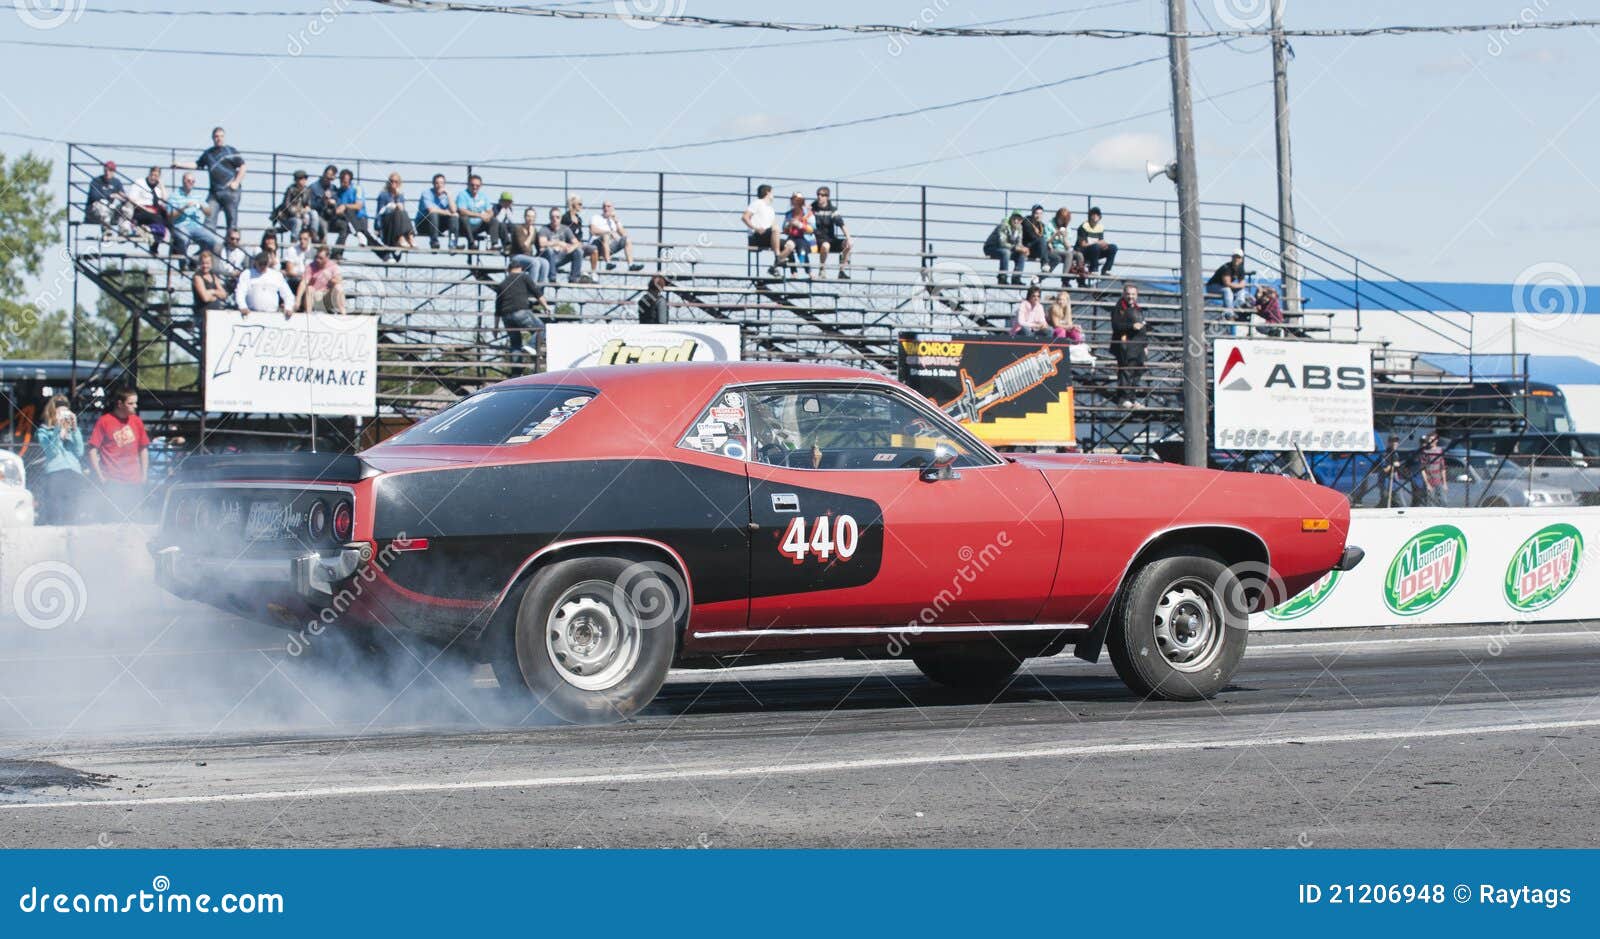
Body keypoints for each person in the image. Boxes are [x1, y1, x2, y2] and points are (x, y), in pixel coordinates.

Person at [86, 388, 150, 520]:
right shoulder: (104, 421)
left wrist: (144, 474)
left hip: (134, 480)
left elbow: (143, 449)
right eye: (131, 403)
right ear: (120, 404)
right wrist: (100, 476)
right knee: (112, 518)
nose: (135, 406)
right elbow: (92, 450)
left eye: (135, 403)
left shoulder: (137, 421)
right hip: (112, 480)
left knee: (135, 519)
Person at [174, 126, 246, 233]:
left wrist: (236, 182)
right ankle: (208, 248)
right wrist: (179, 165)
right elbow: (197, 164)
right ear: (213, 138)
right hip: (214, 193)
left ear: (224, 137)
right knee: (209, 221)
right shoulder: (208, 153)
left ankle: (230, 247)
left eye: (221, 136)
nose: (219, 139)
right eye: (216, 136)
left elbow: (243, 166)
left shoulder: (230, 151)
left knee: (231, 222)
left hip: (230, 191)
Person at [33, 396, 89, 525]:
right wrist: (58, 430)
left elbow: (79, 452)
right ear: (53, 413)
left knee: (72, 514)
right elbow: (52, 452)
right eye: (60, 413)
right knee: (55, 514)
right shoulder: (43, 431)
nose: (64, 416)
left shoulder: (72, 431)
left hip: (74, 473)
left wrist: (74, 429)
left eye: (66, 412)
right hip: (55, 474)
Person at [494, 259, 548, 361]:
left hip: (506, 316)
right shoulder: (524, 277)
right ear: (520, 269)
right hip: (520, 312)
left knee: (515, 344)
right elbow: (537, 293)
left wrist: (496, 328)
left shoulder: (502, 284)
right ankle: (531, 346)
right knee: (543, 329)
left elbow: (497, 309)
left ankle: (516, 373)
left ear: (508, 270)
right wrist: (546, 306)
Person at [168, 172, 222, 262]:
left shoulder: (197, 196)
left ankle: (195, 259)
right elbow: (170, 216)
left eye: (193, 181)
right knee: (184, 239)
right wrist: (184, 207)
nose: (191, 183)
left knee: (213, 241)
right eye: (188, 180)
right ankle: (184, 263)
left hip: (196, 226)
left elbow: (209, 213)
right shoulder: (174, 196)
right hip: (180, 225)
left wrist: (201, 206)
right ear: (183, 181)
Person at [1110, 283, 1147, 408]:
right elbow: (1116, 326)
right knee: (1126, 372)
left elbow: (1143, 329)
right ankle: (1123, 398)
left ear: (1137, 295)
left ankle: (1132, 398)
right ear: (1123, 294)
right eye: (1128, 294)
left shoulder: (1138, 308)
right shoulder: (1118, 308)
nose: (1130, 297)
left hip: (1138, 345)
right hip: (1124, 345)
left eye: (1133, 294)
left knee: (1137, 372)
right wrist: (1131, 326)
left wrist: (1145, 345)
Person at [742, 184, 791, 276]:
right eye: (772, 192)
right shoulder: (757, 203)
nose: (773, 195)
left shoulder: (770, 209)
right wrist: (755, 228)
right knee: (776, 228)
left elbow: (773, 225)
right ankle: (778, 256)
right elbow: (745, 217)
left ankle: (774, 266)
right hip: (757, 236)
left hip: (769, 236)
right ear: (768, 192)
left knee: (790, 244)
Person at [235, 251, 295, 316]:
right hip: (251, 313)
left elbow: (287, 294)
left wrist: (288, 307)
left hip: (272, 314)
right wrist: (242, 306)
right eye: (260, 264)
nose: (263, 266)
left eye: (265, 263)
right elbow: (240, 292)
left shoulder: (276, 275)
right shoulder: (247, 274)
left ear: (268, 263)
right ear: (255, 262)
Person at [330, 168, 374, 257]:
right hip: (346, 220)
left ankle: (386, 255)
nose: (343, 183)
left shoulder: (357, 188)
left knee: (369, 238)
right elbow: (338, 209)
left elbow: (358, 206)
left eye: (345, 181)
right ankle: (337, 254)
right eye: (342, 181)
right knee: (344, 228)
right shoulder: (339, 192)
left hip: (359, 218)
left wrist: (345, 206)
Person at [539, 206, 589, 284]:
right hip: (549, 257)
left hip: (561, 255)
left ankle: (574, 278)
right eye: (552, 217)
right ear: (549, 218)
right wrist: (558, 243)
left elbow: (577, 243)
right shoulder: (544, 229)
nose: (555, 219)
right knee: (549, 250)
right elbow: (542, 243)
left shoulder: (565, 228)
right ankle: (552, 278)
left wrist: (571, 248)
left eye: (557, 217)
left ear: (561, 218)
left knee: (578, 251)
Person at [589, 200, 642, 272]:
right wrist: (609, 232)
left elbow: (624, 235)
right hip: (597, 245)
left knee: (627, 239)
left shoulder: (613, 221)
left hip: (610, 246)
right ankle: (608, 263)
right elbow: (593, 230)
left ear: (612, 208)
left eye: (608, 206)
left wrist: (616, 222)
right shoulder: (596, 217)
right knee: (606, 236)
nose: (606, 208)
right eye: (604, 206)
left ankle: (631, 265)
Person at [811, 186, 852, 279]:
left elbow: (841, 224)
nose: (819, 197)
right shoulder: (812, 208)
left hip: (830, 238)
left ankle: (841, 271)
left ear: (827, 197)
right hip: (817, 239)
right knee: (826, 245)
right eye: (818, 194)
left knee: (848, 244)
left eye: (822, 195)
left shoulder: (832, 209)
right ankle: (822, 269)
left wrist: (848, 238)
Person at [127, 166, 170, 252]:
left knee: (166, 221)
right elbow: (131, 199)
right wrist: (145, 209)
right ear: (149, 174)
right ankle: (147, 231)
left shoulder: (158, 188)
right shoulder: (140, 182)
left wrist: (161, 186)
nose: (154, 177)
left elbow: (165, 200)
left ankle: (149, 233)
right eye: (152, 175)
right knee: (158, 219)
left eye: (156, 176)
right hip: (141, 210)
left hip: (155, 212)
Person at [375, 172, 417, 259]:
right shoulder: (383, 195)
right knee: (397, 212)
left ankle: (410, 237)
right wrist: (377, 228)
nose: (393, 184)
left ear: (399, 183)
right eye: (391, 181)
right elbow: (379, 213)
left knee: (402, 212)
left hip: (397, 225)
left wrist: (397, 197)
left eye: (396, 182)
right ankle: (401, 237)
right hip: (387, 223)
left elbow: (402, 214)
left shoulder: (400, 196)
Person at [85, 161, 131, 238]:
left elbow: (122, 196)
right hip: (95, 211)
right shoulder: (96, 181)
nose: (107, 172)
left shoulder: (116, 182)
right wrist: (111, 195)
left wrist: (124, 198)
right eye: (106, 170)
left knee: (127, 208)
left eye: (110, 170)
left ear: (114, 171)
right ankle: (106, 230)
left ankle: (123, 231)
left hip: (110, 210)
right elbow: (94, 196)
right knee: (102, 206)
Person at [296, 244, 346, 314]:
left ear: (327, 257)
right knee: (309, 288)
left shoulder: (333, 266)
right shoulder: (311, 266)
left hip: (327, 296)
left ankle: (343, 315)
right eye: (317, 257)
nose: (318, 260)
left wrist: (330, 279)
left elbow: (339, 281)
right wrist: (297, 300)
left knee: (338, 287)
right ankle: (308, 316)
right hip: (315, 295)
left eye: (321, 258)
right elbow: (303, 283)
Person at [273, 169, 322, 239]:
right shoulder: (290, 190)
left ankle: (313, 233)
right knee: (298, 222)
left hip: (302, 214)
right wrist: (300, 215)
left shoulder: (307, 190)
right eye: (301, 178)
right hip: (289, 217)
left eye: (305, 178)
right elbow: (287, 206)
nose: (304, 181)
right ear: (296, 180)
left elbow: (308, 205)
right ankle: (294, 240)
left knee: (314, 213)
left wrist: (306, 211)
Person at [508, 208, 552, 284]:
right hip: (517, 256)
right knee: (535, 262)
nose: (530, 219)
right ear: (524, 217)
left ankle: (539, 291)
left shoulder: (534, 230)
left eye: (532, 217)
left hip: (529, 257)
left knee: (545, 263)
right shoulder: (518, 229)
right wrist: (530, 235)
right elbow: (523, 248)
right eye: (528, 216)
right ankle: (531, 289)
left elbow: (538, 247)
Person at [983, 213, 1028, 285]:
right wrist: (1016, 248)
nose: (1016, 221)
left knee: (1021, 253)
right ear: (1011, 218)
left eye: (1019, 219)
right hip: (991, 247)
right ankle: (1002, 277)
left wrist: (1023, 249)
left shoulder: (1020, 228)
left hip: (1007, 249)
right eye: (1014, 218)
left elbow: (1019, 243)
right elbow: (1002, 243)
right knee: (1006, 252)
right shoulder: (1003, 225)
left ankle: (1016, 278)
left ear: (1021, 221)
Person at [414, 173, 455, 249]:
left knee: (454, 217)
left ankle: (453, 243)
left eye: (442, 183)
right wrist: (446, 212)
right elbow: (431, 209)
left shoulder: (445, 195)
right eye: (437, 183)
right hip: (423, 224)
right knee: (433, 214)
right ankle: (434, 242)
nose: (439, 185)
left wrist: (449, 195)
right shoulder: (426, 193)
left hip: (438, 225)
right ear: (433, 184)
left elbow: (453, 211)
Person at [1076, 206, 1118, 280]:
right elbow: (1082, 244)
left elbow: (1101, 241)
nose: (1095, 216)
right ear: (1090, 216)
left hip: (1096, 251)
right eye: (1093, 214)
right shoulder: (1083, 226)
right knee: (1095, 247)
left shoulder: (1100, 227)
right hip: (1085, 252)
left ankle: (1106, 270)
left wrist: (1104, 245)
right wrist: (1097, 243)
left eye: (1097, 215)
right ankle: (1093, 269)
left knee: (1113, 247)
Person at [1045, 207, 1084, 285]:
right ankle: (1065, 280)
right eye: (1061, 219)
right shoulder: (1049, 225)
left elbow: (1069, 247)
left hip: (1065, 249)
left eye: (1064, 220)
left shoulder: (1068, 228)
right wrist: (1055, 235)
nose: (1062, 222)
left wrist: (1065, 238)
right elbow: (1046, 241)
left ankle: (1081, 280)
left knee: (1079, 255)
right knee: (1069, 254)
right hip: (1054, 249)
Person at [191, 250, 229, 328]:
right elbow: (205, 298)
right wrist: (216, 293)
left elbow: (224, 295)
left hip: (215, 313)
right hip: (203, 314)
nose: (205, 266)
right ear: (199, 264)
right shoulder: (197, 277)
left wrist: (211, 292)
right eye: (203, 263)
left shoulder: (213, 276)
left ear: (211, 264)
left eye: (207, 263)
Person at [455, 174, 493, 247]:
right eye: (472, 185)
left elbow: (490, 211)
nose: (475, 187)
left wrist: (488, 216)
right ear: (468, 185)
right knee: (464, 217)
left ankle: (493, 244)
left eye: (477, 185)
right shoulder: (462, 194)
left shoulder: (483, 196)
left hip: (479, 225)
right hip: (465, 226)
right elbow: (462, 211)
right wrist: (480, 215)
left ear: (481, 186)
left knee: (493, 220)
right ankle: (471, 243)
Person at [780, 192, 814, 272]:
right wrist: (788, 226)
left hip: (804, 238)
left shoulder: (808, 214)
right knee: (788, 246)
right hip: (792, 237)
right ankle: (793, 271)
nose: (795, 201)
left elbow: (812, 229)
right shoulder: (789, 214)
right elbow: (784, 230)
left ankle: (808, 271)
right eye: (793, 199)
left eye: (798, 200)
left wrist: (800, 225)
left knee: (802, 253)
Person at [307, 163, 341, 234]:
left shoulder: (333, 188)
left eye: (331, 178)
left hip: (331, 217)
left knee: (344, 225)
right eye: (327, 177)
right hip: (318, 216)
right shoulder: (313, 187)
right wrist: (323, 200)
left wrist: (334, 202)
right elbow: (310, 205)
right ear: (324, 174)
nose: (328, 180)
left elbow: (338, 202)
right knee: (323, 226)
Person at [281, 226, 315, 294]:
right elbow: (290, 271)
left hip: (308, 280)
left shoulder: (314, 252)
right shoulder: (292, 250)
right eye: (301, 239)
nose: (302, 241)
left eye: (305, 239)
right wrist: (302, 276)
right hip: (294, 280)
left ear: (310, 239)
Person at [1418, 432, 1447, 506]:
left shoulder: (1439, 450)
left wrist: (1444, 483)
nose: (1430, 441)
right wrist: (1427, 484)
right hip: (1429, 481)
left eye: (1432, 439)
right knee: (1430, 503)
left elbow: (1443, 467)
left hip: (1438, 481)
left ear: (1436, 440)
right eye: (1429, 439)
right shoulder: (1424, 452)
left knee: (1443, 502)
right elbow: (1422, 469)